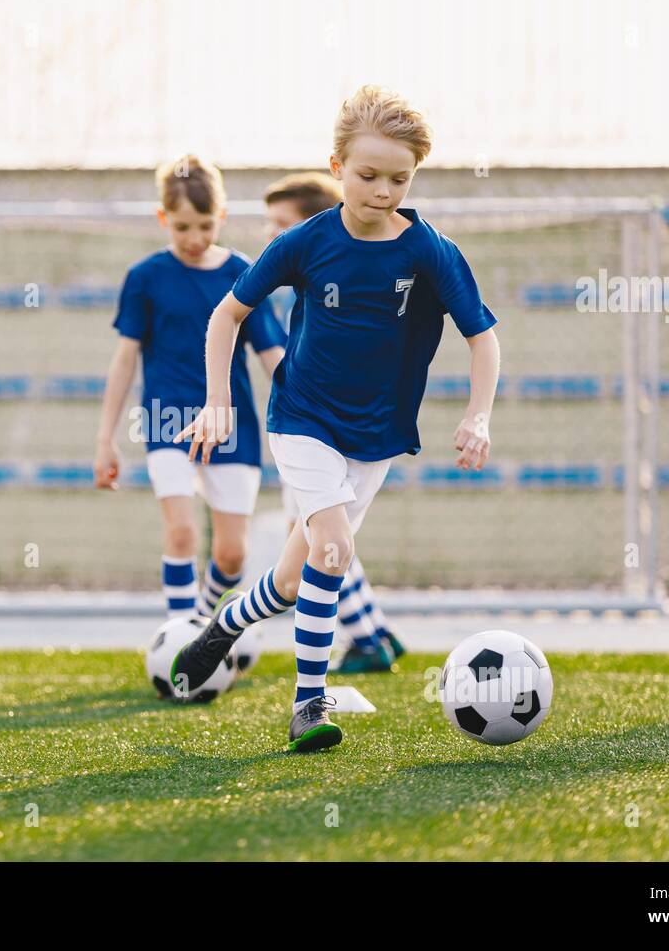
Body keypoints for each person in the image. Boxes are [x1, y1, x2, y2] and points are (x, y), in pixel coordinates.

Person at [171, 86, 501, 751]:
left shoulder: (430, 251)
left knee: (295, 579)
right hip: (302, 418)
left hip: (375, 437)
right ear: (337, 166)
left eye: (399, 180)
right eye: (368, 175)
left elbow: (483, 339)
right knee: (335, 549)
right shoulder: (305, 242)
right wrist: (217, 401)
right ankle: (308, 706)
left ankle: (226, 623)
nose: (383, 191)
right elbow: (227, 315)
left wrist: (479, 417)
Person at [94, 155, 284, 635]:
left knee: (232, 554)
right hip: (166, 420)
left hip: (231, 425)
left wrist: (312, 405)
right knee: (180, 532)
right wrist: (105, 438)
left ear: (222, 217)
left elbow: (272, 354)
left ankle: (204, 627)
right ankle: (181, 639)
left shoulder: (243, 272)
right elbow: (124, 359)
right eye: (182, 227)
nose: (195, 238)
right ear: (163, 218)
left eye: (205, 226)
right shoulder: (146, 277)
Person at [263, 172, 407, 672]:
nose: (273, 235)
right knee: (327, 533)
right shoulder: (296, 280)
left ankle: (367, 640)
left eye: (282, 224)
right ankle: (373, 630)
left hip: (320, 429)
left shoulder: (329, 278)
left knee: (314, 535)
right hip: (310, 425)